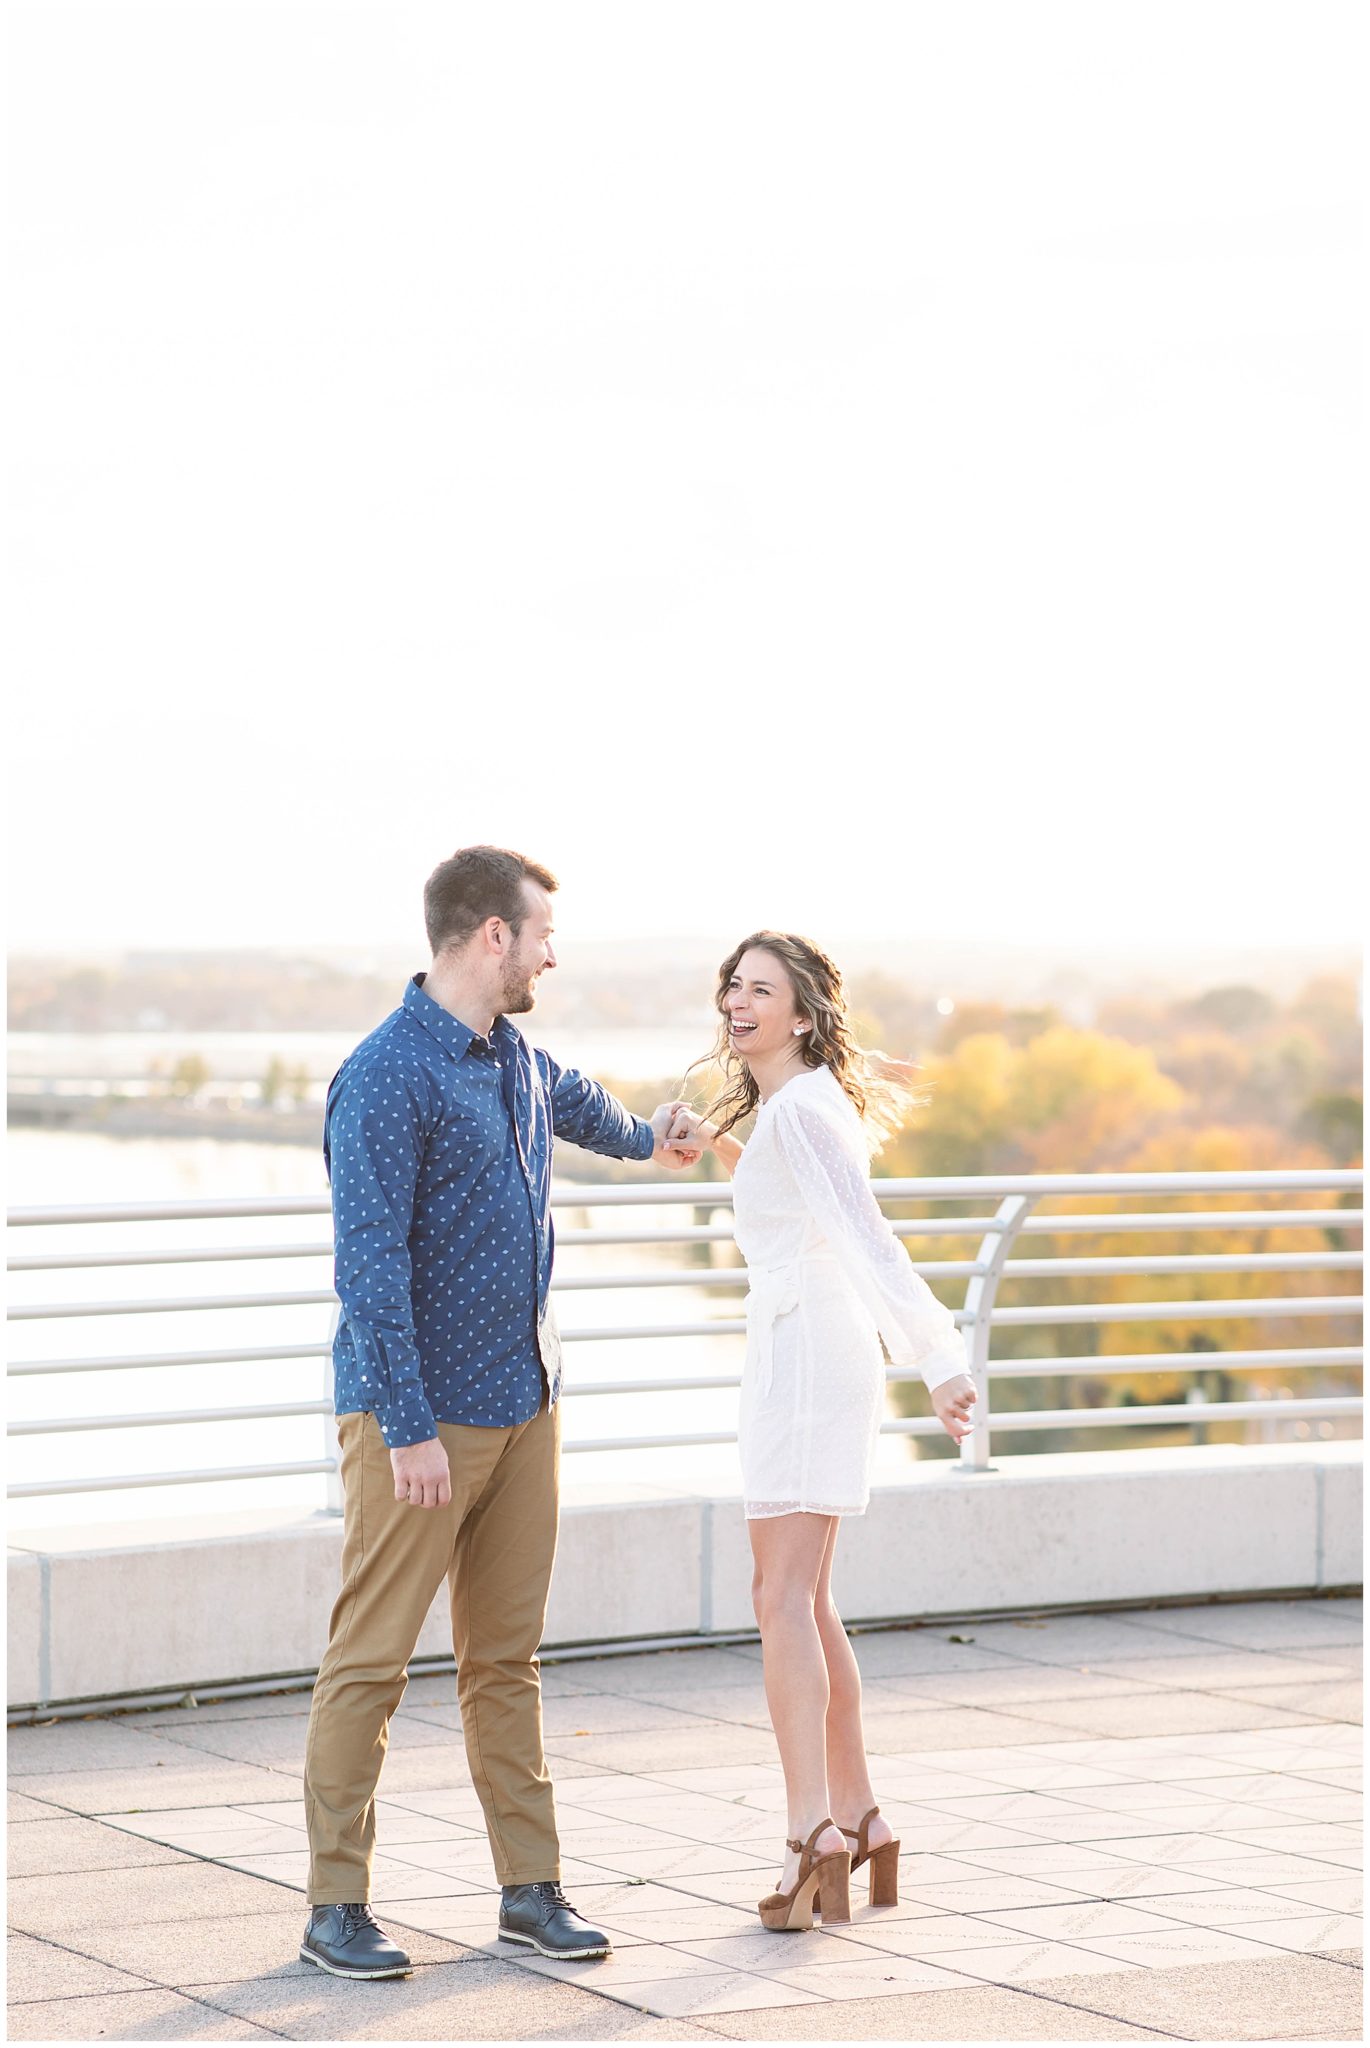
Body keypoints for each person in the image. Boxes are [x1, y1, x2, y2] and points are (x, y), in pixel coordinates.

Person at [301, 846, 700, 1979]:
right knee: (370, 1661)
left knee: (505, 1661)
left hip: (526, 1401)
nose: (548, 954)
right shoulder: (387, 1074)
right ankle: (336, 1905)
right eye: (539, 934)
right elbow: (368, 1266)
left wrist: (651, 1129)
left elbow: (587, 1110)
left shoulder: (512, 1055)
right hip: (420, 1423)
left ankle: (531, 1889)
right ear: (489, 935)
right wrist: (407, 1422)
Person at [667, 931, 976, 1933]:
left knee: (775, 1596)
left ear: (801, 1015)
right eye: (732, 985)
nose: (737, 1000)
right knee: (805, 1595)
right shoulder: (797, 1108)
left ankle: (812, 1833)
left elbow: (866, 1233)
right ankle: (859, 1813)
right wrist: (710, 1139)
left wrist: (940, 1355)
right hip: (810, 1349)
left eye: (761, 989)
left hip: (804, 1356)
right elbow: (796, 1194)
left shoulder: (803, 1111)